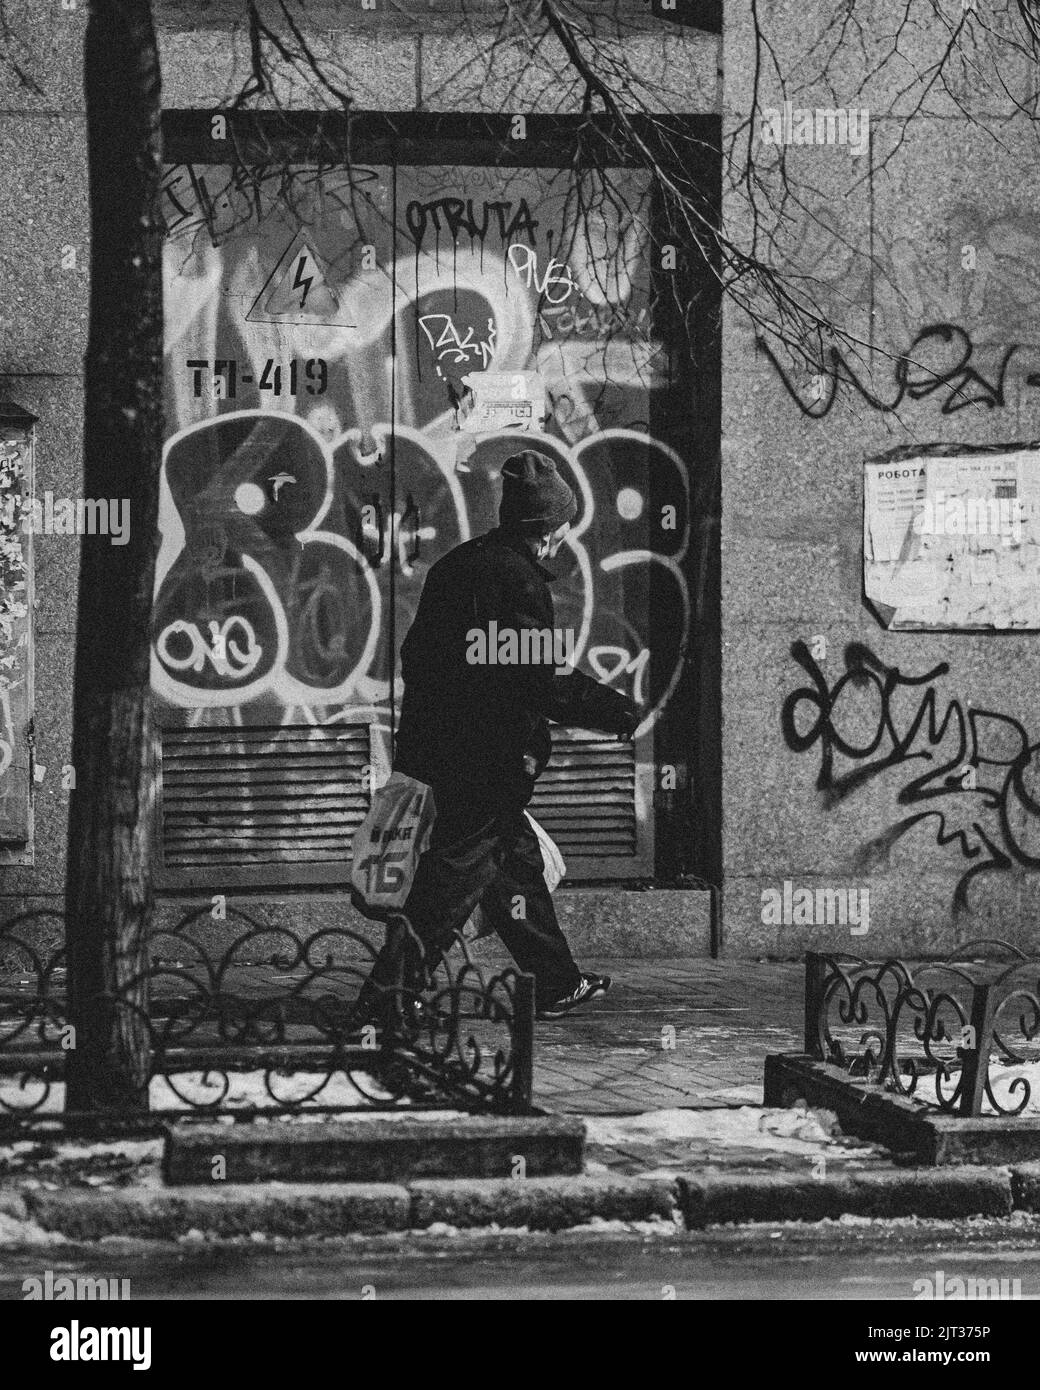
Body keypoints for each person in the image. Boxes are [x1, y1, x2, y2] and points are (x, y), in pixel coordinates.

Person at [354, 449, 640, 1026]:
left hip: (450, 753)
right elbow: (542, 677)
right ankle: (387, 1000)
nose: (564, 537)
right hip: (481, 767)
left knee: (514, 869)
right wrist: (620, 711)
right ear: (548, 528)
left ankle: (555, 984)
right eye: (562, 525)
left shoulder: (457, 567)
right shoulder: (514, 582)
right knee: (447, 889)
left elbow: (422, 658)